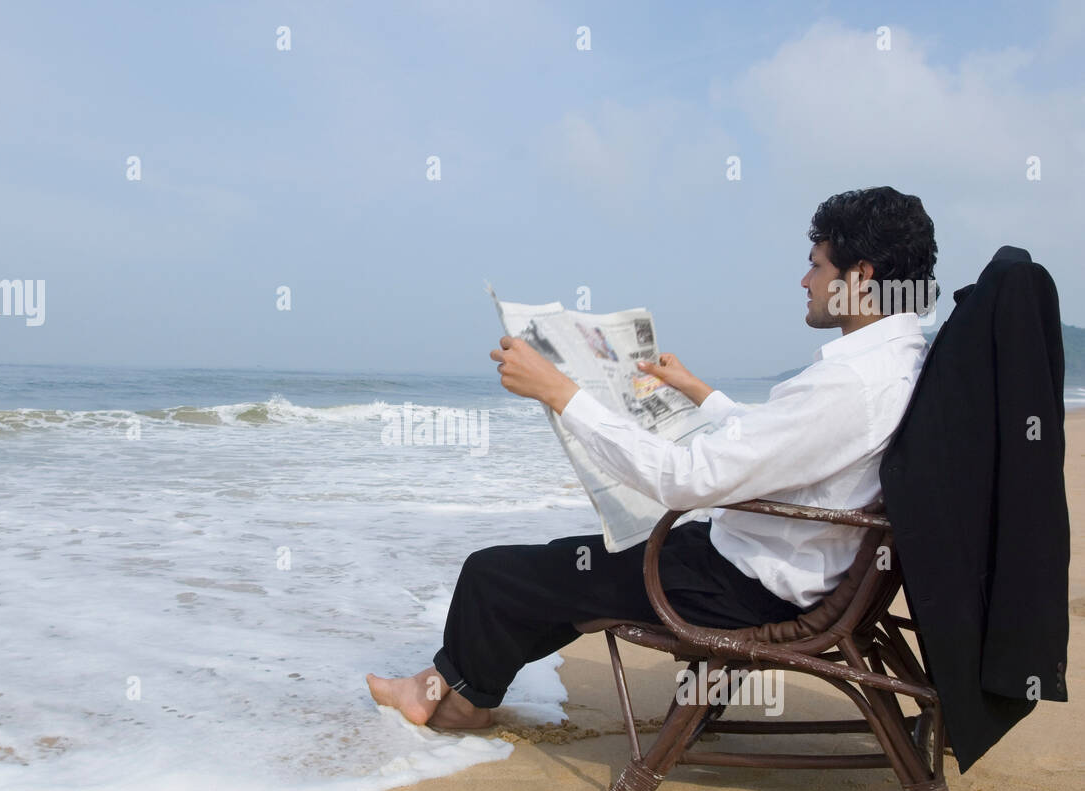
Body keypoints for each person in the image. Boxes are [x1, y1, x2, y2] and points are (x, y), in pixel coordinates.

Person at [368, 187, 938, 729]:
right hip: (781, 567)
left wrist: (562, 393)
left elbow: (685, 481)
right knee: (574, 567)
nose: (804, 280)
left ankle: (458, 701)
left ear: (860, 275)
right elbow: (786, 441)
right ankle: (445, 686)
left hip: (746, 584)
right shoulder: (896, 362)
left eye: (816, 265)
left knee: (492, 573)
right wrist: (695, 390)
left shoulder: (849, 383)